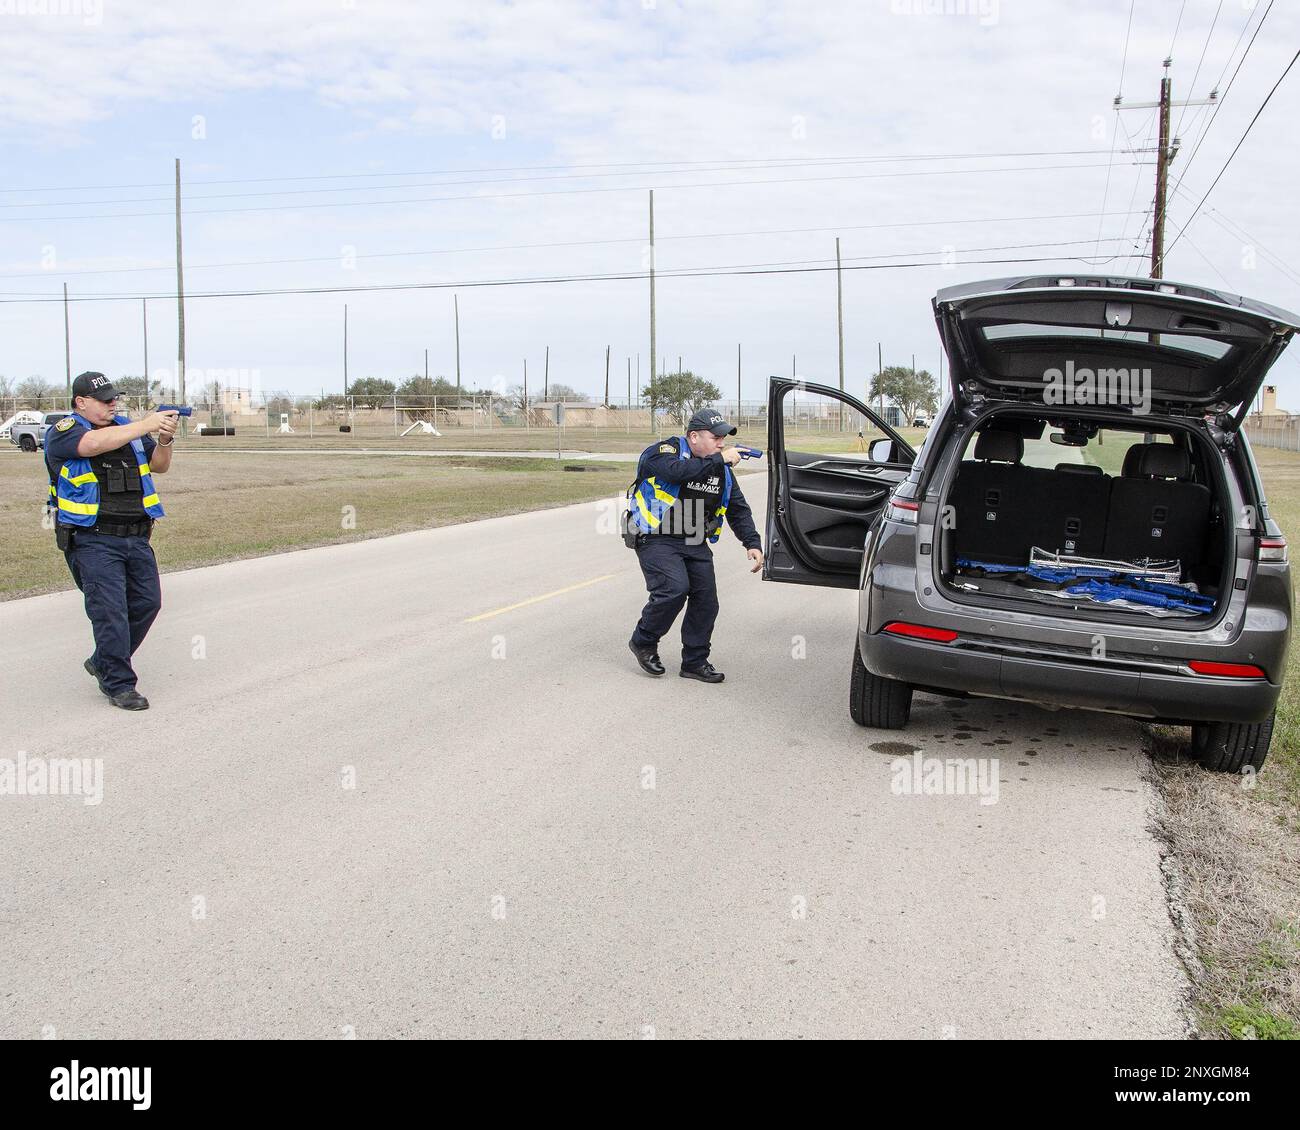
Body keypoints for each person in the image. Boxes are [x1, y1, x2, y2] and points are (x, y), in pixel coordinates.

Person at [44, 372, 180, 710]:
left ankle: (103, 659)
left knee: (148, 603)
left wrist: (163, 439)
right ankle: (118, 684)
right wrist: (146, 423)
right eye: (104, 400)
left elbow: (159, 467)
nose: (112, 404)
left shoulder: (128, 431)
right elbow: (92, 445)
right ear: (80, 403)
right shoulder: (65, 432)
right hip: (93, 539)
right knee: (111, 612)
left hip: (136, 535)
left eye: (113, 398)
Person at [626, 409, 764, 683]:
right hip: (656, 537)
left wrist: (752, 543)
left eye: (723, 439)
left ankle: (694, 661)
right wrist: (718, 460)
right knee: (673, 590)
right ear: (693, 436)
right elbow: (675, 473)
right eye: (716, 438)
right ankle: (643, 641)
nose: (721, 444)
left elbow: (738, 508)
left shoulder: (720, 470)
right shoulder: (664, 452)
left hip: (694, 540)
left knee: (706, 601)